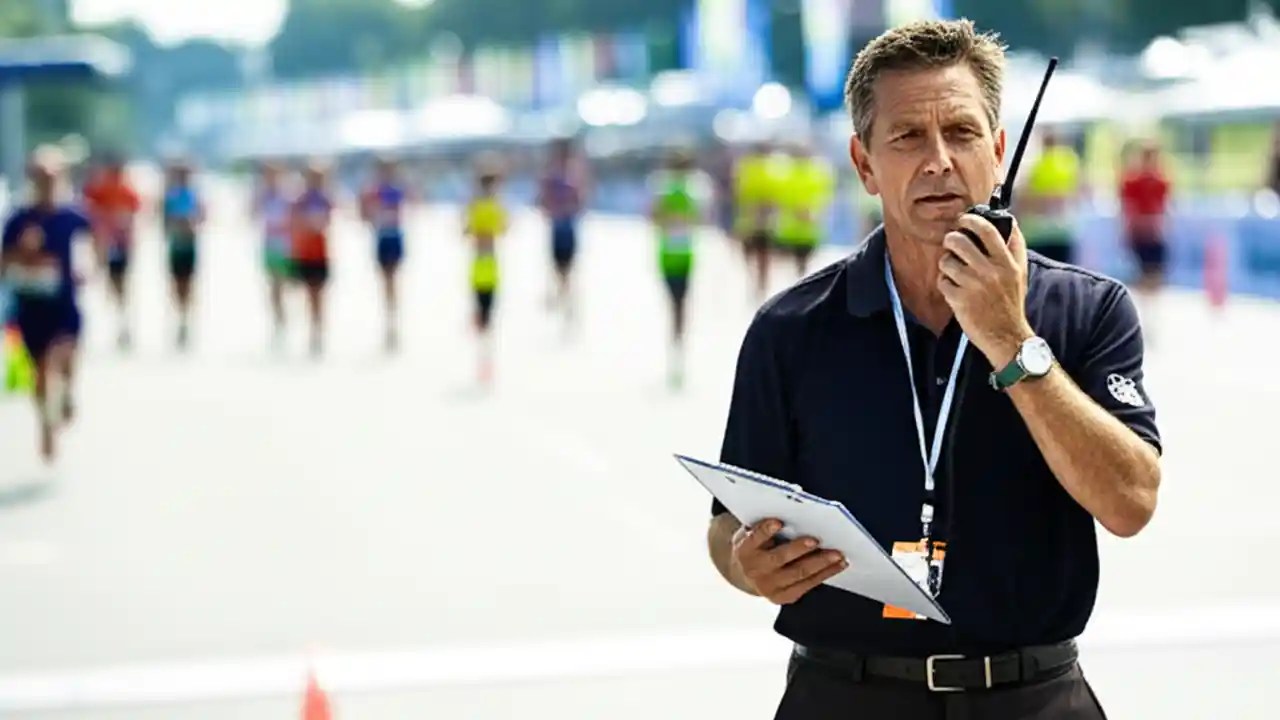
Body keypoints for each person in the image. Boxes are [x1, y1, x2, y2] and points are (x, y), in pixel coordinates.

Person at [706, 20, 1162, 719]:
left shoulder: (1088, 311)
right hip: (842, 696)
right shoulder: (789, 330)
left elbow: (1131, 503)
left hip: (1033, 697)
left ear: (1000, 149)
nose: (939, 160)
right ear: (864, 164)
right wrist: (748, 565)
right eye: (908, 138)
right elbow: (726, 528)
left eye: (962, 133)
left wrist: (1012, 341)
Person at [0, 149, 94, 463]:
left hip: (64, 302)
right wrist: (23, 254)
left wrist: (89, 267)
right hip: (31, 305)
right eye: (39, 177)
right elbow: (3, 263)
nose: (45, 183)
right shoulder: (18, 219)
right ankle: (45, 425)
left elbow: (93, 246)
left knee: (65, 357)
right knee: (39, 371)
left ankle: (67, 389)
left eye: (51, 177)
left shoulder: (72, 216)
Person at [648, 148, 711, 389]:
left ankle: (676, 345)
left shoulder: (661, 185)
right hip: (685, 253)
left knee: (673, 303)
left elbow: (653, 217)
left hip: (668, 253)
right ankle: (679, 344)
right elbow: (703, 218)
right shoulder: (696, 186)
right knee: (682, 303)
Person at [82, 154, 140, 350]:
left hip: (121, 244)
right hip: (106, 244)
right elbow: (89, 212)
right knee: (111, 283)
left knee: (120, 283)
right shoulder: (100, 188)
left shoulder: (128, 190)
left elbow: (134, 216)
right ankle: (120, 320)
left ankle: (123, 323)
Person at [359, 156, 411, 352]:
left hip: (395, 237)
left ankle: (392, 319)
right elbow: (364, 215)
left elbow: (412, 200)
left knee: (392, 280)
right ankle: (389, 318)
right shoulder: (374, 190)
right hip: (382, 237)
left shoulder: (397, 189)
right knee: (385, 281)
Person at [463, 164, 508, 387]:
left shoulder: (483, 206)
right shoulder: (487, 206)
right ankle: (484, 355)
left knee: (486, 312)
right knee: (484, 312)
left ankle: (485, 356)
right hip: (484, 263)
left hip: (486, 263)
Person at [1118, 140, 1171, 328]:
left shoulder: (1162, 180)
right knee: (1143, 273)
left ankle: (1152, 312)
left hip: (1155, 232)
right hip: (1140, 233)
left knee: (1155, 274)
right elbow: (1128, 208)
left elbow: (1164, 207)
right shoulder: (1133, 180)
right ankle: (1142, 310)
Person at [536, 138, 586, 325]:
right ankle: (563, 294)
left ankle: (565, 296)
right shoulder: (552, 176)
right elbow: (542, 200)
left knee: (568, 265)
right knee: (558, 266)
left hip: (568, 225)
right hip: (558, 226)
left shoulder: (573, 175)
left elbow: (580, 201)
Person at [291, 161, 335, 357]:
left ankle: (318, 330)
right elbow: (295, 222)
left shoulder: (325, 198)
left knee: (320, 294)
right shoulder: (301, 200)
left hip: (321, 251)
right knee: (309, 294)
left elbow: (328, 220)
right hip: (306, 252)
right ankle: (313, 329)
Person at [1019, 129, 1081, 264]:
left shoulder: (1035, 164)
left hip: (1038, 233)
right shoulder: (1069, 163)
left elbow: (1024, 198)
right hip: (1062, 231)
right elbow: (1078, 194)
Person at [161, 159, 205, 350]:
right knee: (176, 284)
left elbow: (202, 219)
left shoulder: (195, 196)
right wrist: (175, 225)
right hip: (175, 246)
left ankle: (186, 319)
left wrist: (191, 224)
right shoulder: (170, 196)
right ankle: (180, 317)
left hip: (190, 246)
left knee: (189, 283)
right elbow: (164, 223)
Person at [775, 141, 836, 278]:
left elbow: (825, 197)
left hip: (807, 228)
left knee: (801, 262)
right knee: (798, 263)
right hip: (794, 229)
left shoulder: (814, 173)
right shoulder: (789, 173)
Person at [734, 142, 786, 301]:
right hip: (762, 221)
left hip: (753, 221)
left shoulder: (747, 168)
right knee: (762, 257)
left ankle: (758, 285)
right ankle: (760, 285)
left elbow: (739, 193)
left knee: (757, 255)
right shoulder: (774, 168)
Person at [252, 161, 296, 348]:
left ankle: (284, 318)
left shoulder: (288, 194)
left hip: (286, 246)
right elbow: (253, 213)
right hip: (270, 245)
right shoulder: (263, 195)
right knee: (274, 285)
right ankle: (279, 320)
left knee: (285, 285)